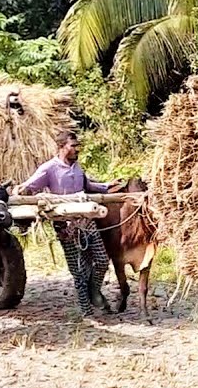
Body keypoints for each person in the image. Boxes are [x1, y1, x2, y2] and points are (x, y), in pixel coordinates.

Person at [16, 131, 120, 318]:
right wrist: (20, 190)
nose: (76, 149)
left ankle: (94, 292)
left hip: (86, 221)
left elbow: (89, 185)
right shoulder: (49, 169)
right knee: (78, 271)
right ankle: (86, 312)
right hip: (65, 226)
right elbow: (30, 186)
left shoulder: (77, 168)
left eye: (77, 146)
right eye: (73, 146)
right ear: (62, 147)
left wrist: (107, 185)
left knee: (102, 260)